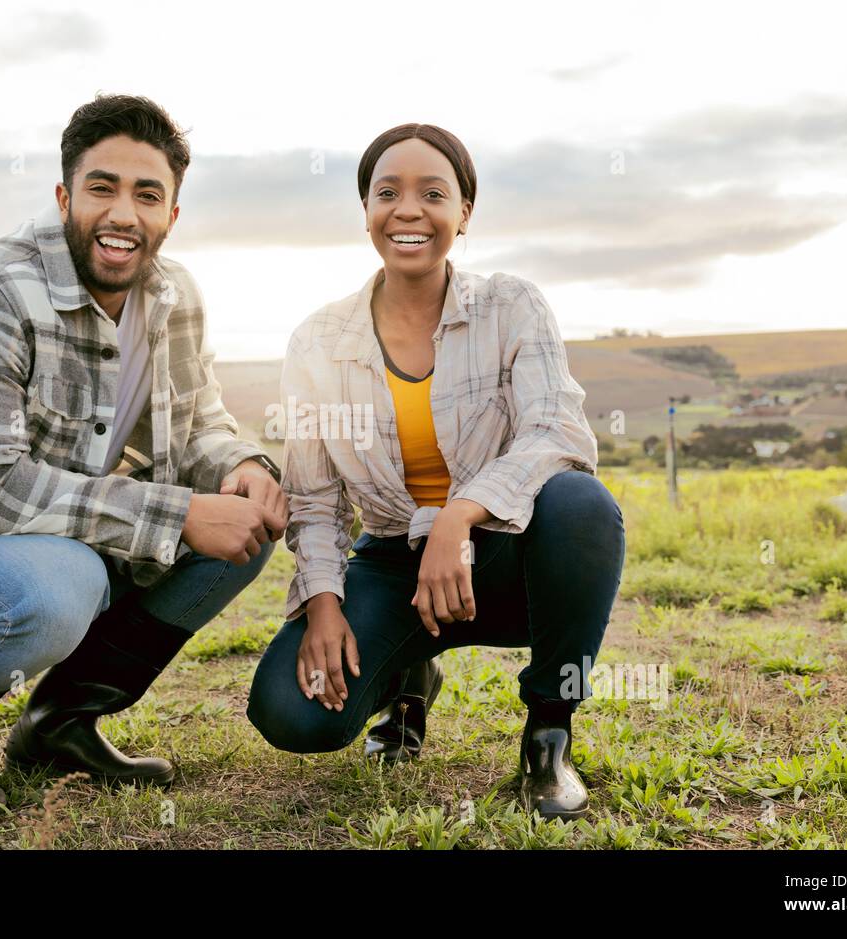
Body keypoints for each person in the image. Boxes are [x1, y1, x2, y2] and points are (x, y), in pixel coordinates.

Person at [0, 94, 287, 816]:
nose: (123, 214)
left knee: (242, 525)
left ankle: (57, 725)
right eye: (101, 187)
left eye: (148, 195)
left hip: (54, 538)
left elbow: (201, 421)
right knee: (60, 587)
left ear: (172, 214)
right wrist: (177, 512)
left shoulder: (175, 294)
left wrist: (244, 468)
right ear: (63, 196)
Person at [246, 123, 626, 819]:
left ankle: (549, 734)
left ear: (465, 213)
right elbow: (314, 499)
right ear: (366, 212)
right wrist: (324, 605)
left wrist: (461, 514)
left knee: (581, 504)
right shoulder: (318, 341)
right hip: (393, 562)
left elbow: (557, 430)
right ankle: (407, 678)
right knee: (292, 713)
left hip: (507, 555)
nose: (408, 210)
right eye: (387, 192)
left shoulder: (511, 306)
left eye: (432, 193)